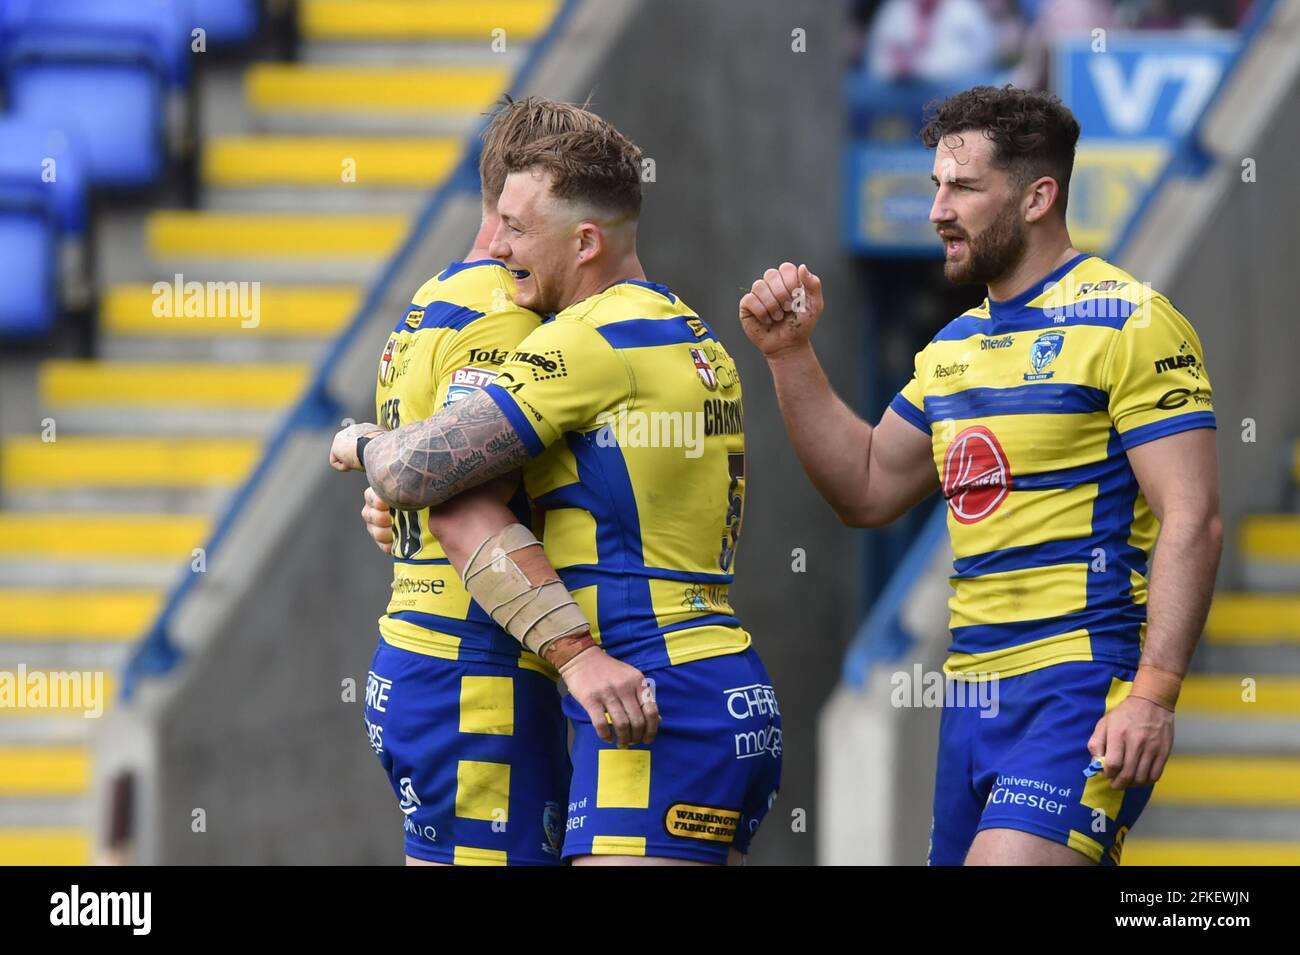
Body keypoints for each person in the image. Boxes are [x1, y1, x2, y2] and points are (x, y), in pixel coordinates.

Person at [735, 85, 1220, 865]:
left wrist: (1153, 694)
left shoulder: (1130, 320)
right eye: (935, 185)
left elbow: (1193, 516)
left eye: (961, 187)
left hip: (1081, 683)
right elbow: (864, 486)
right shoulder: (953, 347)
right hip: (968, 698)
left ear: (1037, 197)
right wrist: (790, 356)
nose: (937, 210)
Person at [334, 121, 781, 866]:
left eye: (516, 229)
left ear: (583, 244)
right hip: (708, 682)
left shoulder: (573, 341)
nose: (496, 247)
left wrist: (359, 445)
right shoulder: (689, 330)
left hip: (646, 694)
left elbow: (427, 480)